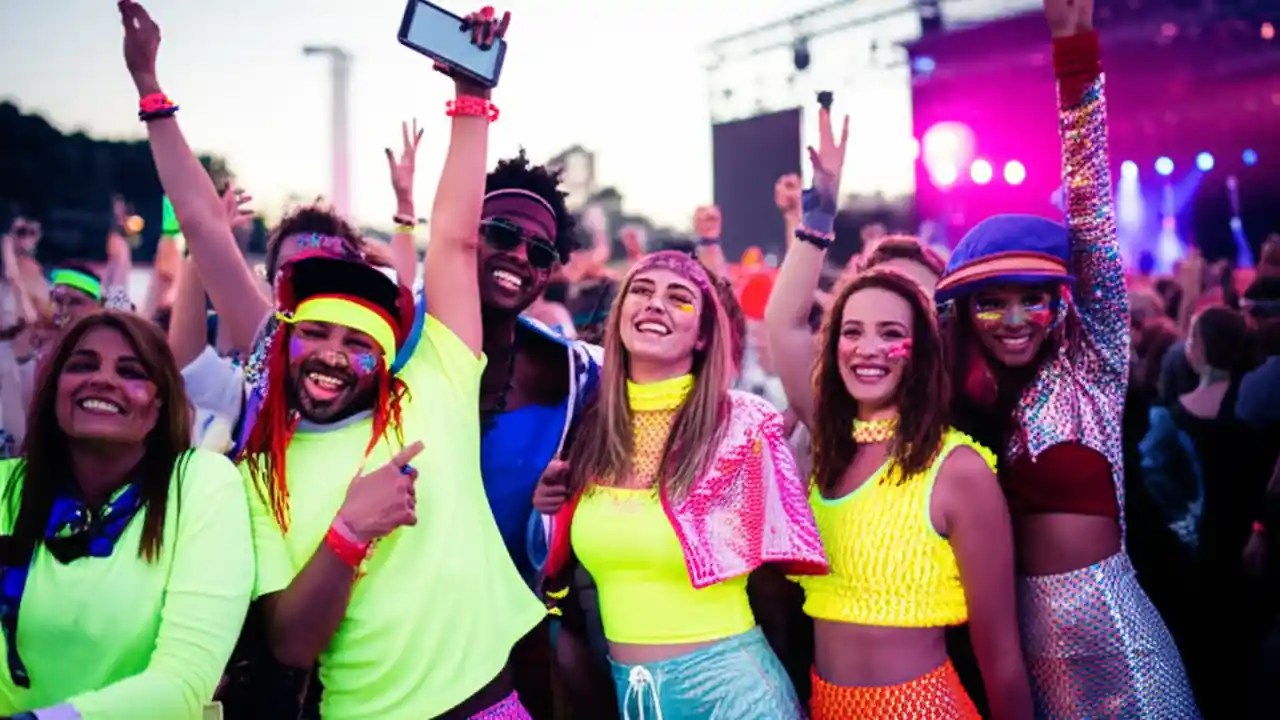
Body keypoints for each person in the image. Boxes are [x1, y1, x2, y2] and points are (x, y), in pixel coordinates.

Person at [119, 2, 544, 717]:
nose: (332, 356)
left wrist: (472, 101)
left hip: (487, 704)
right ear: (284, 334)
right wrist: (150, 88)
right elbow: (289, 644)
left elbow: (455, 244)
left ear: (390, 358)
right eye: (315, 333)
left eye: (358, 344)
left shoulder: (432, 384)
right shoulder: (258, 469)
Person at [932, 1, 1198, 716]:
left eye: (1033, 298)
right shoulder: (967, 400)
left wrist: (1073, 57)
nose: (1014, 319)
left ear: (1060, 302)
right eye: (992, 302)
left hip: (1121, 641)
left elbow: (1090, 213)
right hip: (1027, 657)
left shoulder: (1095, 362)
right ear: (966, 312)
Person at [765, 104, 1030, 719]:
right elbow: (784, 321)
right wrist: (819, 213)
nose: (869, 349)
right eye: (852, 332)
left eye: (893, 332)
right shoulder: (833, 439)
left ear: (925, 346)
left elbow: (1002, 658)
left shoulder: (959, 467)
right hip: (824, 704)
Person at [538, 250, 827, 720]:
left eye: (680, 298)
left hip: (732, 695)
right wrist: (543, 506)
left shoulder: (740, 425)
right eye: (642, 291)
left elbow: (783, 585)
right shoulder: (591, 429)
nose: (655, 304)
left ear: (704, 336)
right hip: (634, 697)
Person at [0, 311, 252, 719]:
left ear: (159, 404)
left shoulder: (201, 484)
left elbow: (184, 685)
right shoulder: (7, 487)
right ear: (54, 391)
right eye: (82, 365)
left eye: (131, 371)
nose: (102, 379)